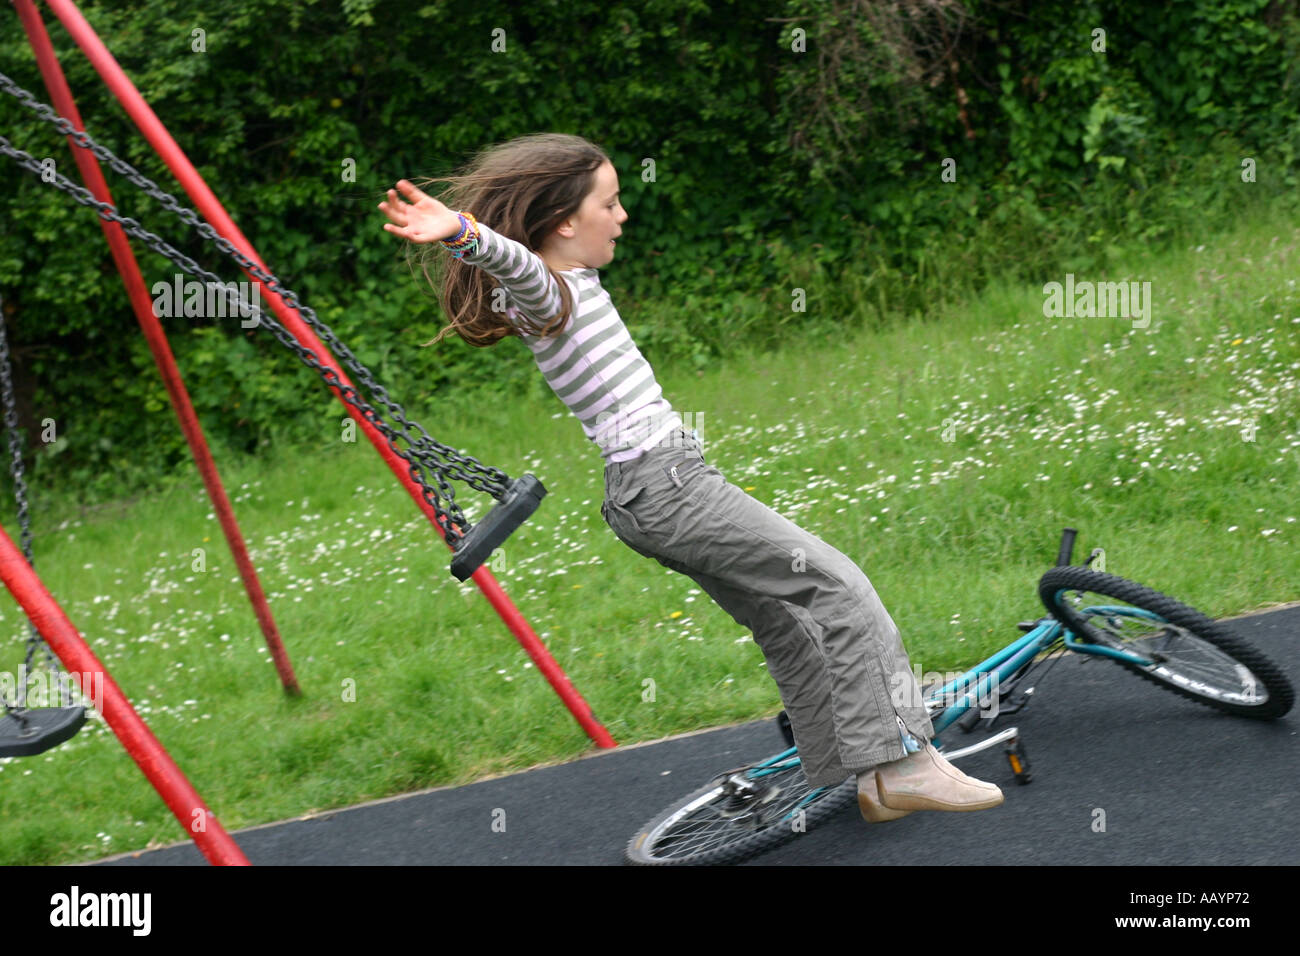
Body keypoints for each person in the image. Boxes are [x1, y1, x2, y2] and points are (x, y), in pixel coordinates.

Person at [378, 132, 1003, 822]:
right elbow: (513, 262)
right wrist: (462, 232)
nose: (622, 217)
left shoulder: (571, 289)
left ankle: (864, 778)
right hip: (667, 486)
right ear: (564, 223)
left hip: (651, 492)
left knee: (784, 620)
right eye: (609, 205)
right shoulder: (546, 291)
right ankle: (909, 760)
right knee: (838, 586)